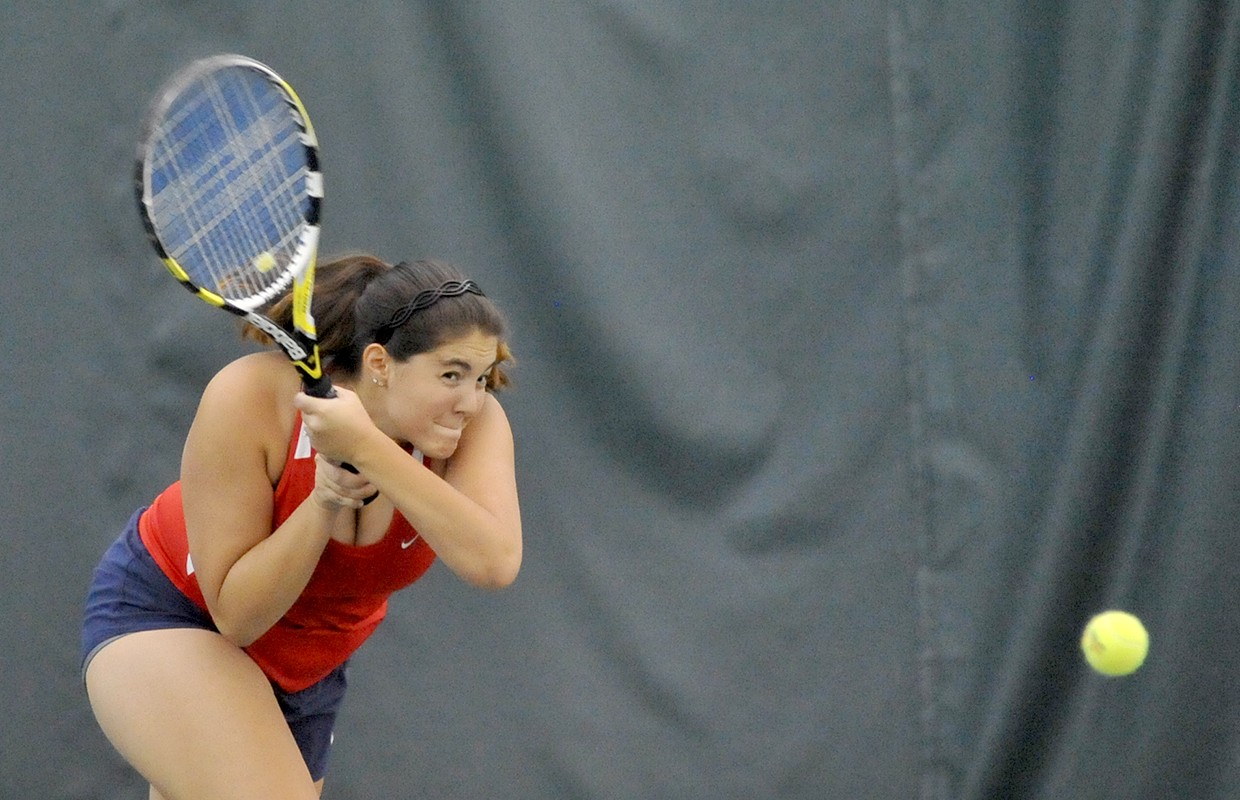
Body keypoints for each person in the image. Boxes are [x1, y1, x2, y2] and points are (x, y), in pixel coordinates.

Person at [81, 254, 522, 799]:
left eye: (481, 377)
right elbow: (237, 617)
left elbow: (494, 562)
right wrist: (323, 502)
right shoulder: (252, 396)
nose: (471, 399)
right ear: (381, 363)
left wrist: (367, 449)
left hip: (308, 667)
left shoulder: (471, 423)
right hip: (175, 615)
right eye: (451, 374)